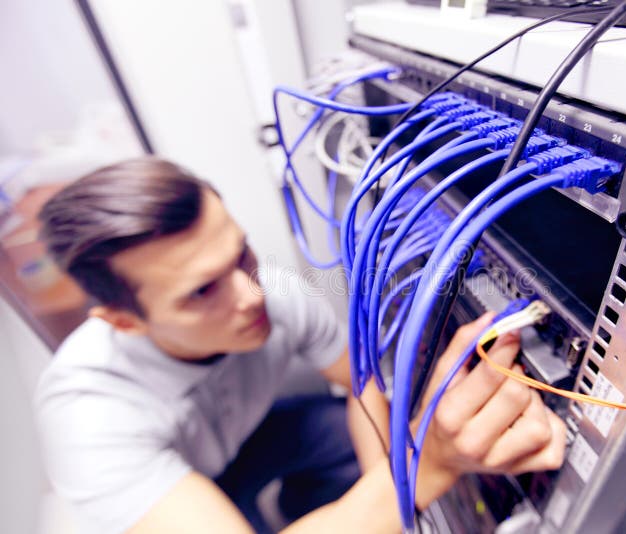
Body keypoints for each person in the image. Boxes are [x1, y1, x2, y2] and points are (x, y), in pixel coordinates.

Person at [35, 157, 566, 533]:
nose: (251, 295)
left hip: (254, 437)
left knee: (343, 432)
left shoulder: (271, 290)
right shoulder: (87, 416)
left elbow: (359, 387)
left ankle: (317, 508)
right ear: (125, 322)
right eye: (202, 291)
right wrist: (430, 466)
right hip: (171, 480)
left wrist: (393, 485)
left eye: (240, 254)